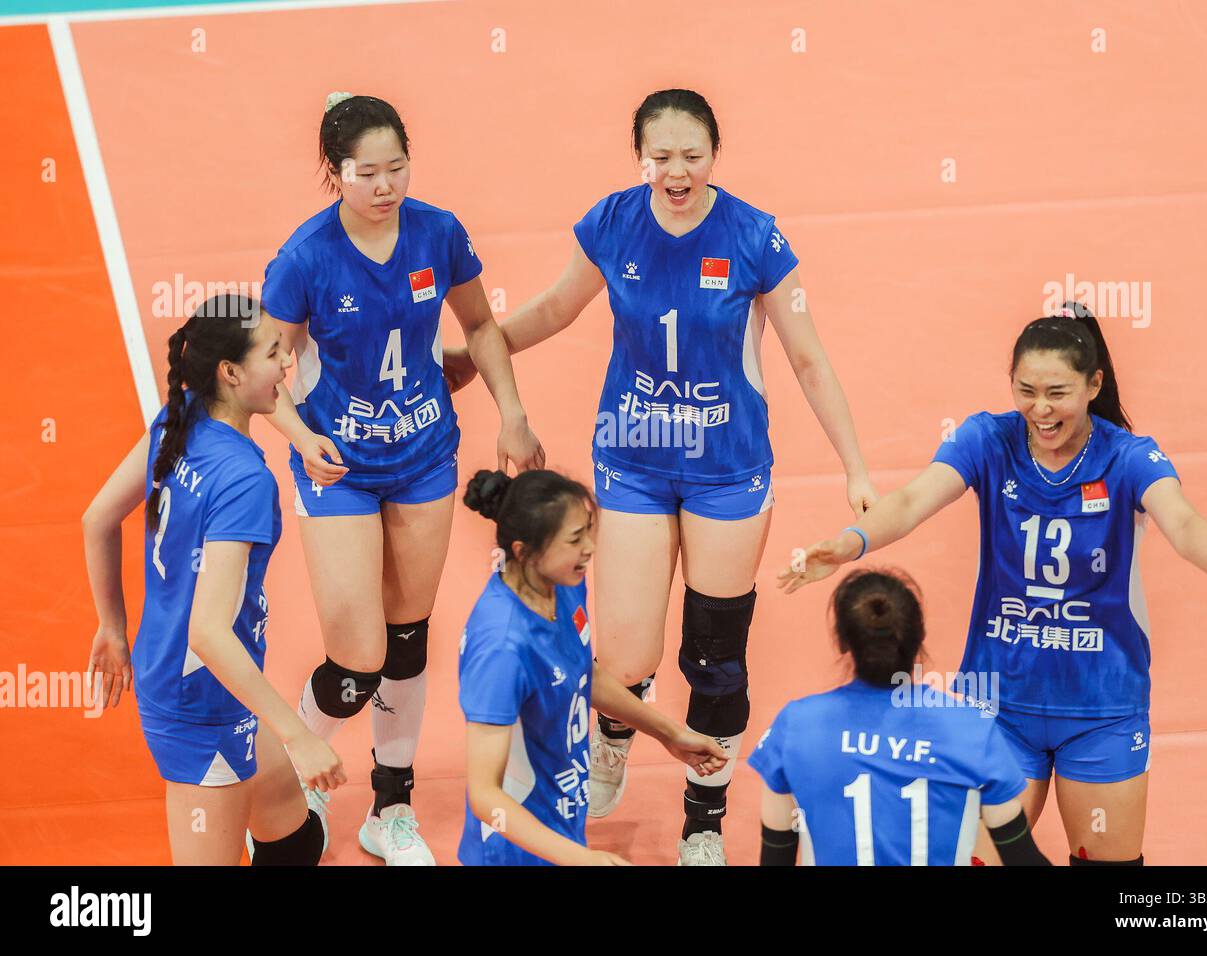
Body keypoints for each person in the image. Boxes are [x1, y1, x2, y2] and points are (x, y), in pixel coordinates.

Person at [444, 88, 877, 865]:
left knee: (715, 654)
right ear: (638, 155)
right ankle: (613, 738)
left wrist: (855, 468)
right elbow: (552, 310)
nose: (676, 172)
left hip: (728, 470)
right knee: (628, 656)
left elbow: (807, 357)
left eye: (692, 155)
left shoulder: (754, 236)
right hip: (633, 462)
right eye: (660, 156)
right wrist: (478, 352)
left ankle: (704, 819)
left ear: (717, 153)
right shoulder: (613, 222)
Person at [778, 302, 1207, 864]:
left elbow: (1181, 521)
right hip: (998, 704)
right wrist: (850, 542)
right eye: (1026, 390)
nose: (1040, 409)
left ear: (1094, 384)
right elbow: (913, 500)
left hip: (1102, 706)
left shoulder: (1129, 458)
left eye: (1057, 392)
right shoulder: (989, 440)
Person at [259, 92, 545, 865]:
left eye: (397, 168)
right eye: (367, 173)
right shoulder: (305, 258)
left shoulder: (437, 232)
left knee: (407, 641)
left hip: (423, 456)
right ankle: (289, 768)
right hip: (340, 468)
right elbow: (266, 370)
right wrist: (299, 434)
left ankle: (390, 808)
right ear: (335, 173)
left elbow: (481, 325)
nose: (385, 186)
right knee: (356, 658)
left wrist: (511, 410)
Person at [83, 294, 344, 865]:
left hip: (201, 682)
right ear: (230, 372)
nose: (287, 364)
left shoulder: (180, 418)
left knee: (295, 837)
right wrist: (298, 735)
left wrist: (112, 626)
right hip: (201, 706)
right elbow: (208, 631)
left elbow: (97, 519)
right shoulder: (244, 479)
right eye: (274, 353)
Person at [458, 469, 727, 865]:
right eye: (574, 539)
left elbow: (581, 672)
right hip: (513, 852)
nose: (589, 548)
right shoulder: (501, 648)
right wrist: (582, 860)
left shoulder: (561, 584)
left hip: (563, 826)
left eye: (588, 531)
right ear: (523, 550)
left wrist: (668, 733)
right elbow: (485, 796)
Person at [749, 568, 1049, 865]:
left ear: (842, 642)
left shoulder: (797, 725)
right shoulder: (970, 729)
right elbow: (1021, 856)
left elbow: (776, 853)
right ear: (919, 640)